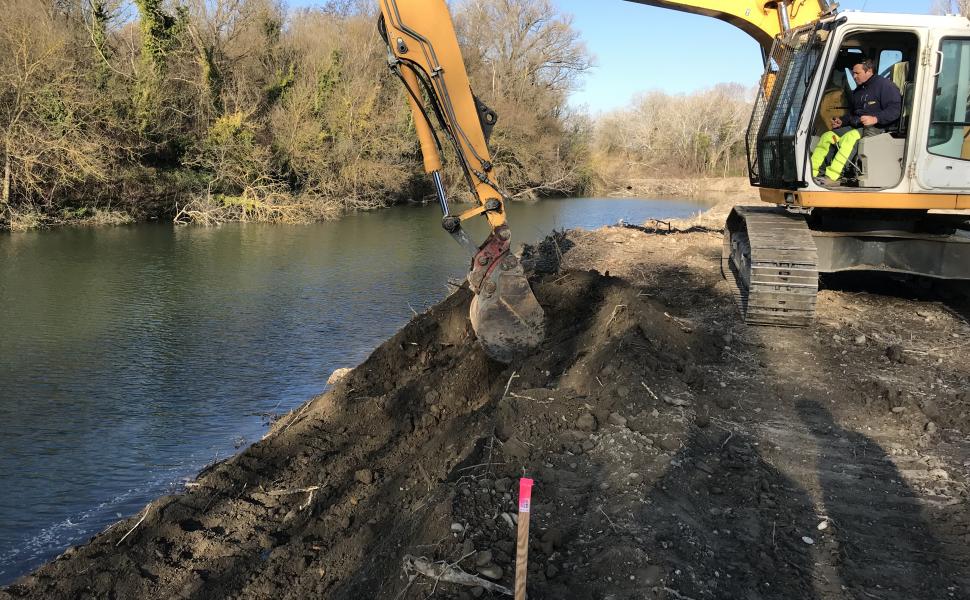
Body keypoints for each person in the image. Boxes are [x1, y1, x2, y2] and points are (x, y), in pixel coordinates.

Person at [811, 57, 902, 185]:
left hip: (878, 128)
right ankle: (813, 173)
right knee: (828, 136)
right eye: (853, 73)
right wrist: (842, 121)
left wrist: (875, 118)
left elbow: (895, 110)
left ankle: (833, 177)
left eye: (857, 73)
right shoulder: (859, 91)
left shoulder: (885, 86)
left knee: (850, 137)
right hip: (858, 126)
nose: (854, 76)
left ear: (869, 71)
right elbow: (854, 114)